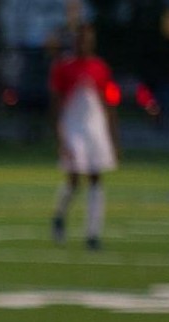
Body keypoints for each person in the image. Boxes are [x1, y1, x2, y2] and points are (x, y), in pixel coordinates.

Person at [49, 24, 118, 251]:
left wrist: (112, 135)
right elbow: (57, 103)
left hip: (94, 126)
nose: (84, 43)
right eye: (80, 39)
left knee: (96, 177)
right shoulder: (64, 67)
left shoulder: (100, 67)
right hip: (73, 125)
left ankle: (93, 234)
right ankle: (59, 214)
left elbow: (108, 101)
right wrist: (60, 135)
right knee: (74, 178)